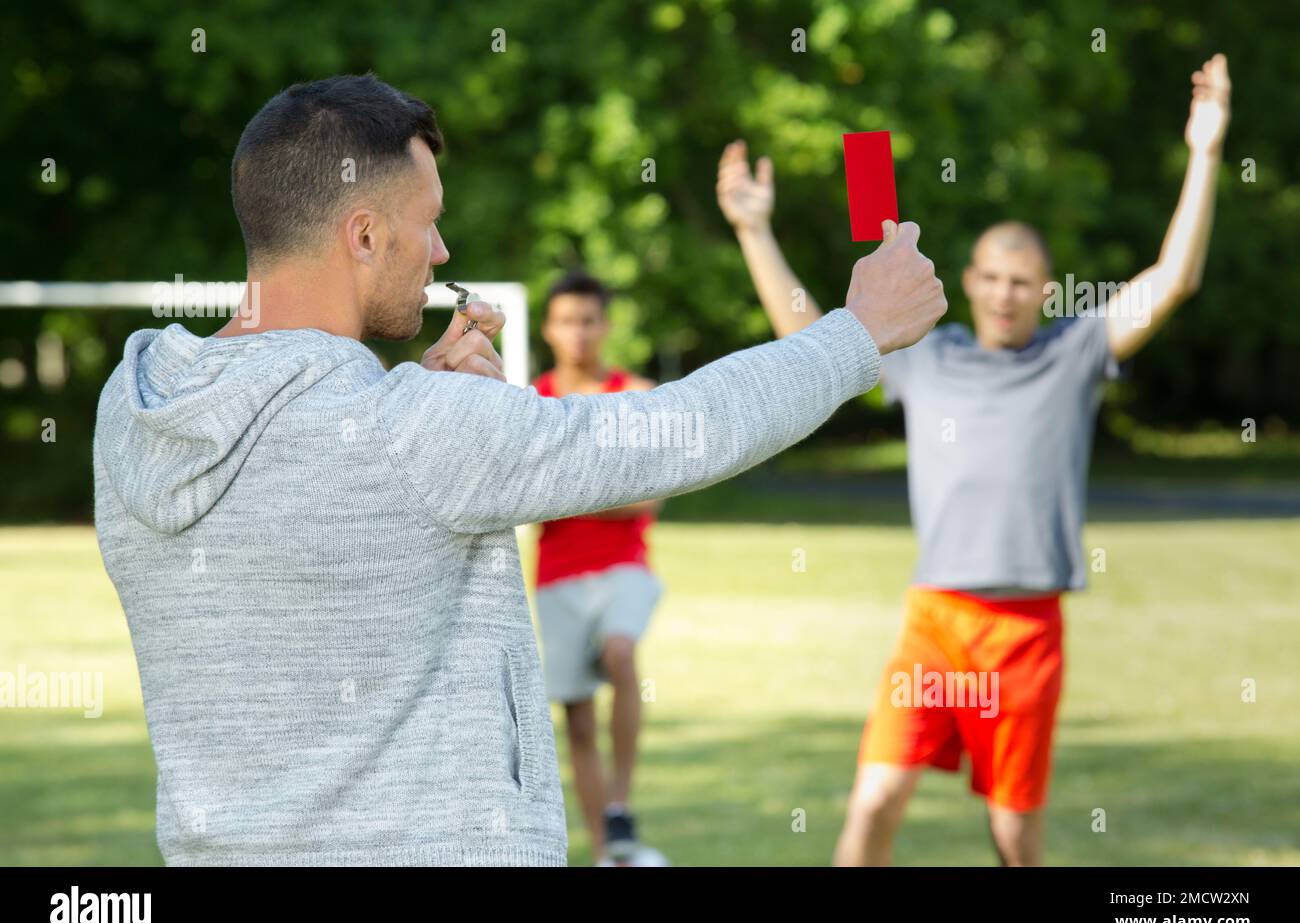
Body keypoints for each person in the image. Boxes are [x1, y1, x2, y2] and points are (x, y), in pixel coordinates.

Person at [93, 73, 946, 865]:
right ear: (362, 234)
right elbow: (683, 430)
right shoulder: (414, 433)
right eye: (427, 221)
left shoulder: (130, 414)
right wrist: (857, 333)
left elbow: (317, 501)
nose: (441, 250)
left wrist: (425, 406)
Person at [716, 55, 1231, 866]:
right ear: (968, 280)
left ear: (1047, 288)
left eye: (1021, 282)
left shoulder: (1076, 350)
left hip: (1028, 630)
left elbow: (1173, 280)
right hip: (935, 623)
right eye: (989, 277)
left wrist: (1204, 150)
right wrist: (754, 228)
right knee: (876, 798)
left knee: (1014, 836)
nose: (1002, 294)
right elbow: (809, 331)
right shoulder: (929, 356)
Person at [531, 270, 661, 864]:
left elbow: (647, 496)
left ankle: (621, 804)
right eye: (566, 321)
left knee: (621, 651)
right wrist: (607, 486)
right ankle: (607, 850)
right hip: (557, 576)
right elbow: (524, 493)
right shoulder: (531, 400)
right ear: (548, 329)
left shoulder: (634, 392)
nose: (578, 333)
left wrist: (568, 487)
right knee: (578, 720)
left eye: (588, 320)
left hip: (624, 567)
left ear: (604, 326)